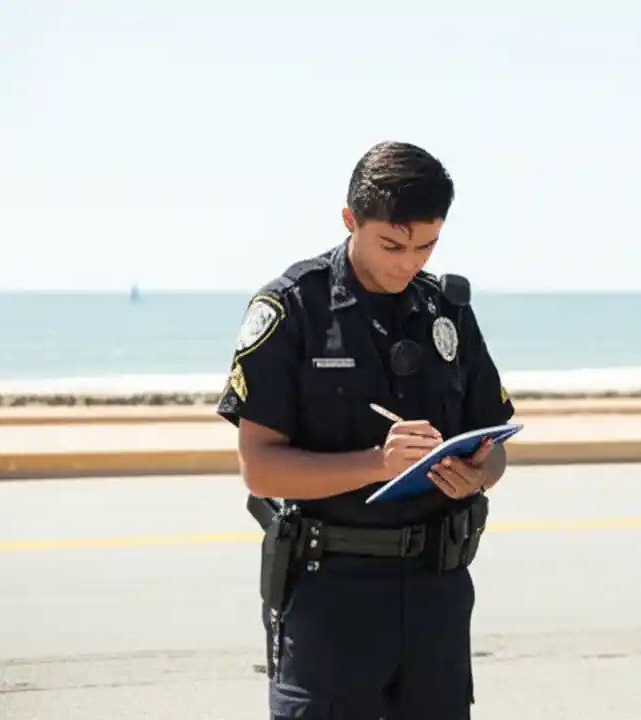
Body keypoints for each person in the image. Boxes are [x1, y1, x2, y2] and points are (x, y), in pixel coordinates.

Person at [216, 140, 515, 719]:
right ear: (351, 220)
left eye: (427, 245)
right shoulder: (293, 309)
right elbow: (259, 466)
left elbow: (493, 442)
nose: (410, 262)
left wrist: (478, 474)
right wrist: (377, 464)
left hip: (437, 592)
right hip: (331, 594)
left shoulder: (446, 310)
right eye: (392, 244)